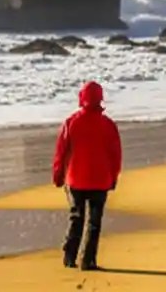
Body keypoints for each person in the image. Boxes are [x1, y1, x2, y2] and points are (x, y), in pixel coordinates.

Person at [51, 80, 122, 271]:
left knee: (77, 217)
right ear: (101, 99)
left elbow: (61, 152)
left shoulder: (71, 122)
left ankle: (69, 255)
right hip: (100, 180)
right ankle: (88, 260)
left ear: (81, 98)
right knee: (94, 222)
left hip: (75, 180)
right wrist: (114, 177)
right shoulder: (108, 125)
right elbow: (115, 155)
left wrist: (58, 175)